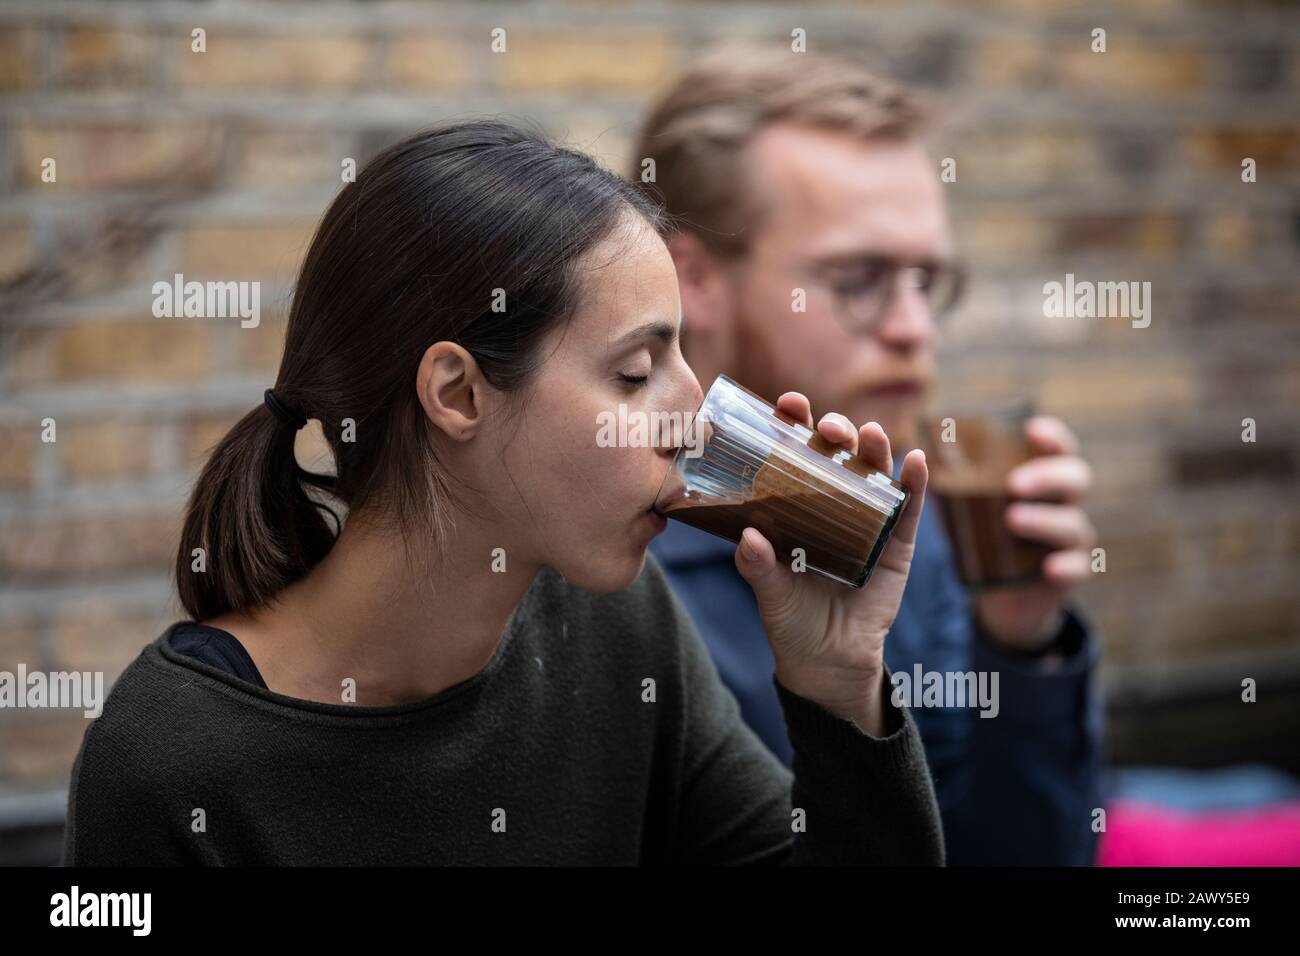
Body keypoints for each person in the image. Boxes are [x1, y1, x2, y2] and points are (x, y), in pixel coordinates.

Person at [62, 119, 944, 866]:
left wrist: (837, 679)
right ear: (458, 395)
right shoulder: (173, 764)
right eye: (635, 373)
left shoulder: (619, 627)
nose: (695, 417)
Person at [637, 46, 1103, 866]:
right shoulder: (597, 559)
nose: (915, 328)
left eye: (928, 282)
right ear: (694, 280)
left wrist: (1021, 642)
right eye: (860, 278)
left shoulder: (910, 528)